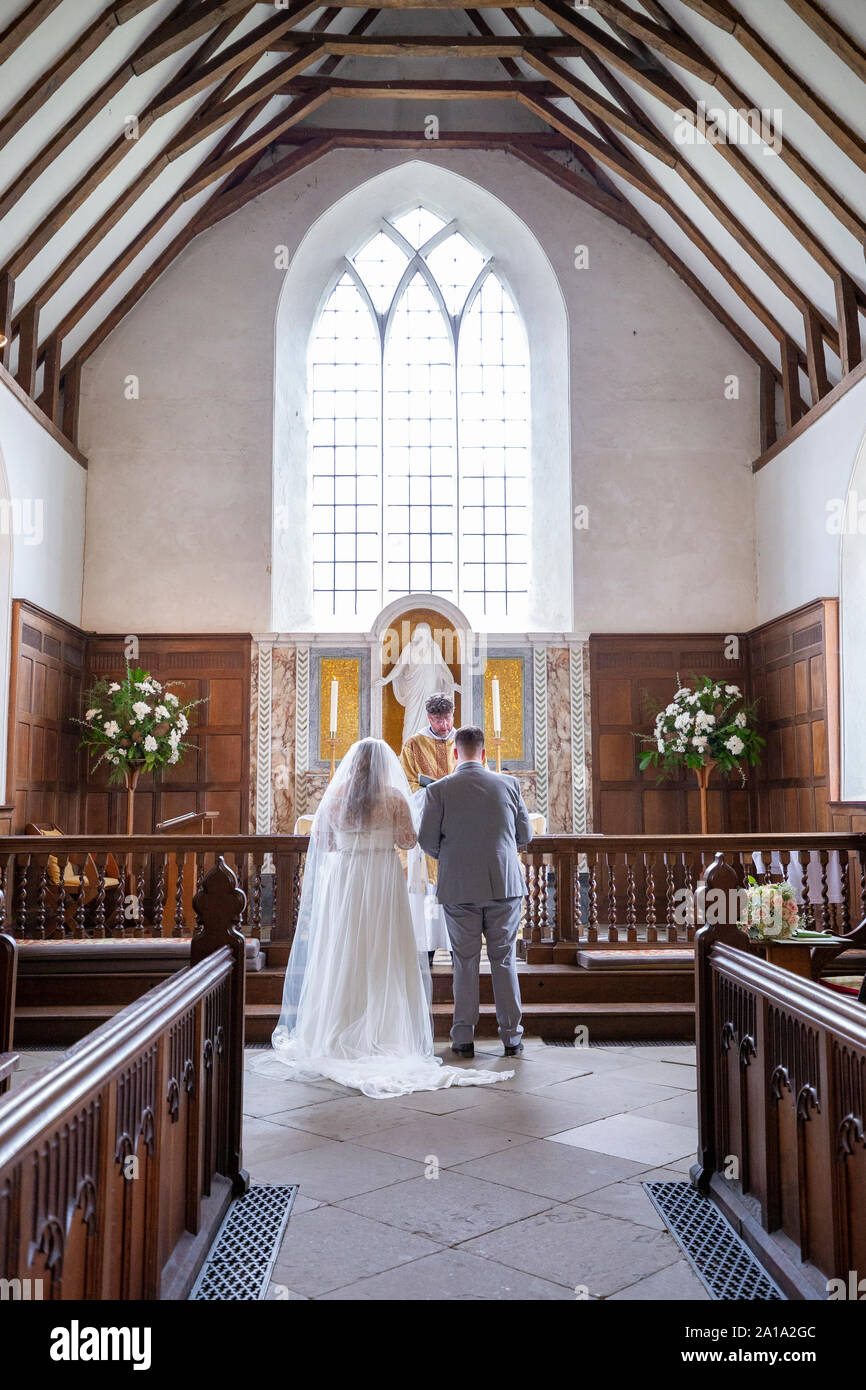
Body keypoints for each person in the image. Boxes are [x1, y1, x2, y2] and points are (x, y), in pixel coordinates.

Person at [266, 738, 512, 1098]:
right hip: (381, 877)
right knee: (383, 954)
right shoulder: (394, 798)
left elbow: (323, 841)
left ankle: (336, 1029)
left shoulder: (335, 798)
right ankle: (384, 1034)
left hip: (347, 881)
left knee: (345, 952)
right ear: (383, 766)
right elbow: (409, 842)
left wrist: (352, 844)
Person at [418, 725, 532, 1058]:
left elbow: (426, 840)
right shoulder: (509, 784)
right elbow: (524, 835)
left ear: (456, 753)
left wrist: (455, 857)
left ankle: (463, 1038)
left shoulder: (438, 790)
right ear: (483, 753)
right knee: (504, 960)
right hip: (504, 885)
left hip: (459, 888)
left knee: (464, 962)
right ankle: (511, 1037)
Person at [400, 692, 455, 966]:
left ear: (452, 715)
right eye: (437, 719)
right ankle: (427, 949)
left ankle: (457, 946)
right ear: (428, 717)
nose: (443, 725)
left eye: (446, 719)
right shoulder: (413, 745)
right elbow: (407, 784)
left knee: (456, 889)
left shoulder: (464, 741)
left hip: (458, 830)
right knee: (427, 893)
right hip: (427, 825)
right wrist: (434, 791)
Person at [378, 623, 460, 748]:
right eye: (419, 633)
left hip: (431, 691)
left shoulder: (434, 648)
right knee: (410, 722)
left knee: (431, 720)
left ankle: (429, 752)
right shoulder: (409, 648)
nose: (421, 637)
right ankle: (407, 753)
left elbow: (442, 668)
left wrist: (451, 683)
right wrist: (386, 679)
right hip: (414, 692)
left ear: (428, 635)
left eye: (424, 634)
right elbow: (399, 667)